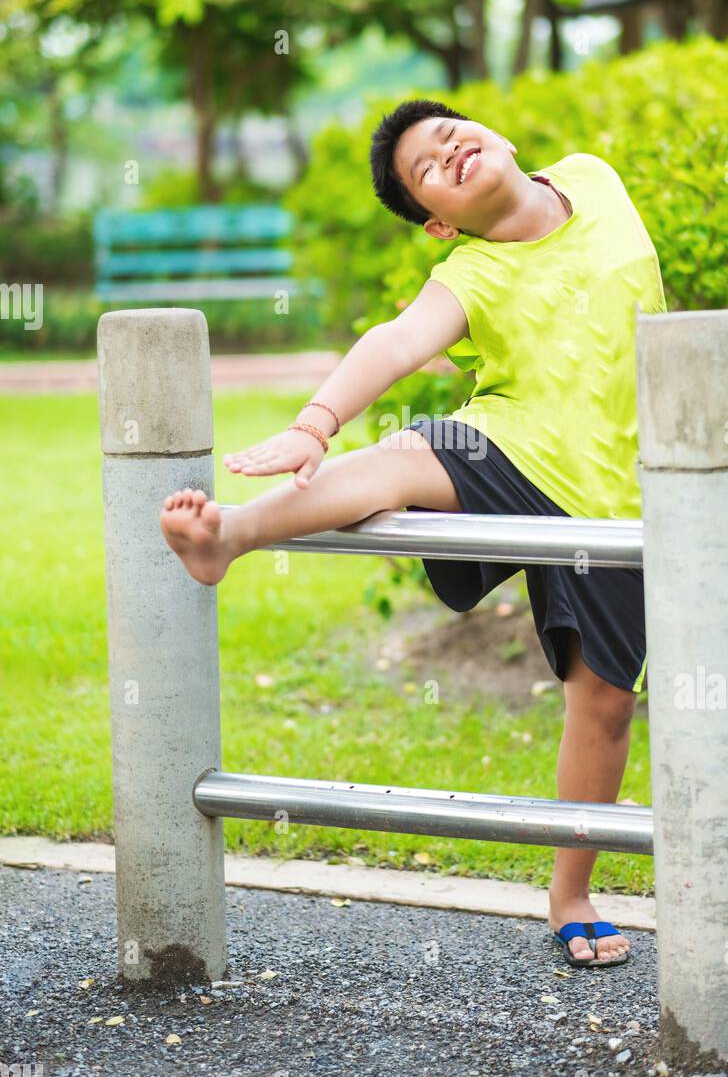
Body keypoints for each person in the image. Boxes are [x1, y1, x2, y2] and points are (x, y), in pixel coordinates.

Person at [160, 98, 667, 968]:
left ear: (502, 136)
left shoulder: (594, 177)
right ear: (438, 224)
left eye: (453, 134)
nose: (451, 151)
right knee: (405, 453)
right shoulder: (466, 275)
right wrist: (315, 423)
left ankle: (570, 893)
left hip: (623, 488)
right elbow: (394, 342)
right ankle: (230, 538)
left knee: (608, 702)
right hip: (514, 447)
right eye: (429, 168)